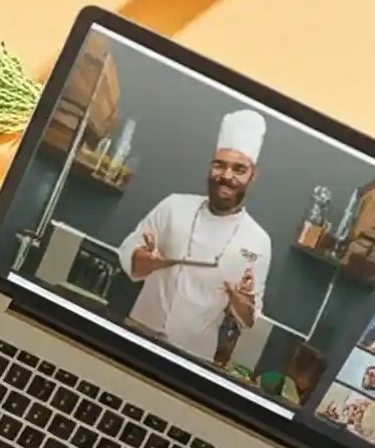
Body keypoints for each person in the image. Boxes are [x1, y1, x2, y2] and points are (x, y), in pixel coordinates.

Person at [116, 110, 273, 362]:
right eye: (219, 165)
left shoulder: (258, 241)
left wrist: (240, 300)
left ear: (252, 176)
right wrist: (146, 259)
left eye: (239, 169)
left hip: (191, 357)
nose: (226, 176)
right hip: (137, 332)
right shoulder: (173, 206)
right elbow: (128, 252)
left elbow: (249, 318)